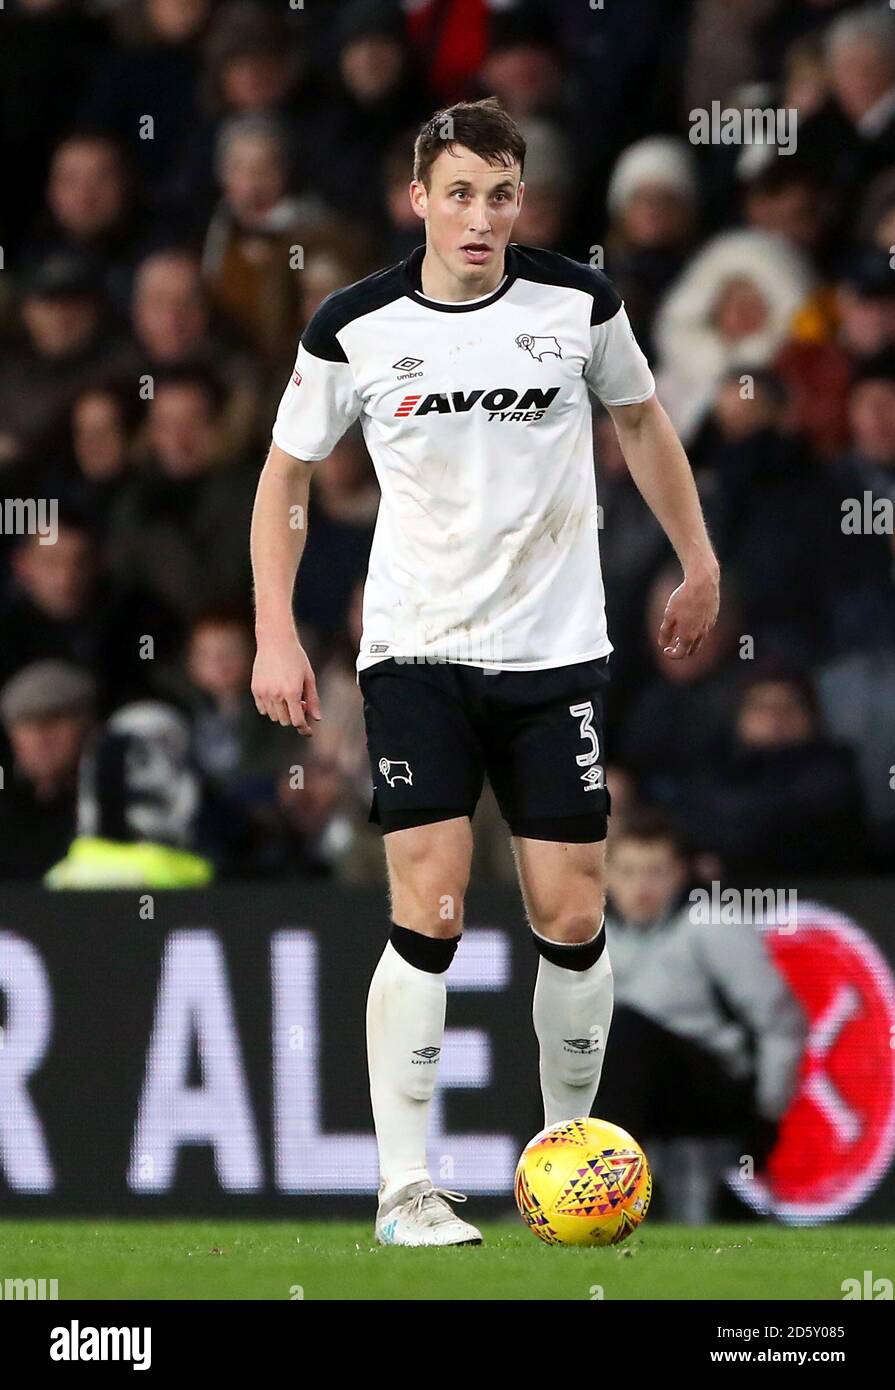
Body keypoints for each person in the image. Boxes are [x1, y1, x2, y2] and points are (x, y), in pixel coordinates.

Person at [250, 98, 720, 1246]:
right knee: (433, 903)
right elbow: (284, 482)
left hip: (554, 651)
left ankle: (569, 1170)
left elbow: (645, 425)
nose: (480, 216)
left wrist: (698, 557)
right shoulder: (352, 325)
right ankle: (403, 1189)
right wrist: (274, 628)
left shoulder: (578, 303)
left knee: (571, 912)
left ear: (522, 201)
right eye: (458, 192)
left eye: (500, 194)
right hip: (415, 652)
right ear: (418, 198)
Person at [600, 810, 807, 1210]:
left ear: (679, 874)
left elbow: (780, 1021)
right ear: (607, 876)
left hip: (711, 1086)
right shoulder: (596, 936)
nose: (640, 887)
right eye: (627, 872)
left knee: (625, 1028)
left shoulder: (711, 925)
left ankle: (614, 1189)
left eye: (654, 872)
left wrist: (768, 1115)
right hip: (629, 1088)